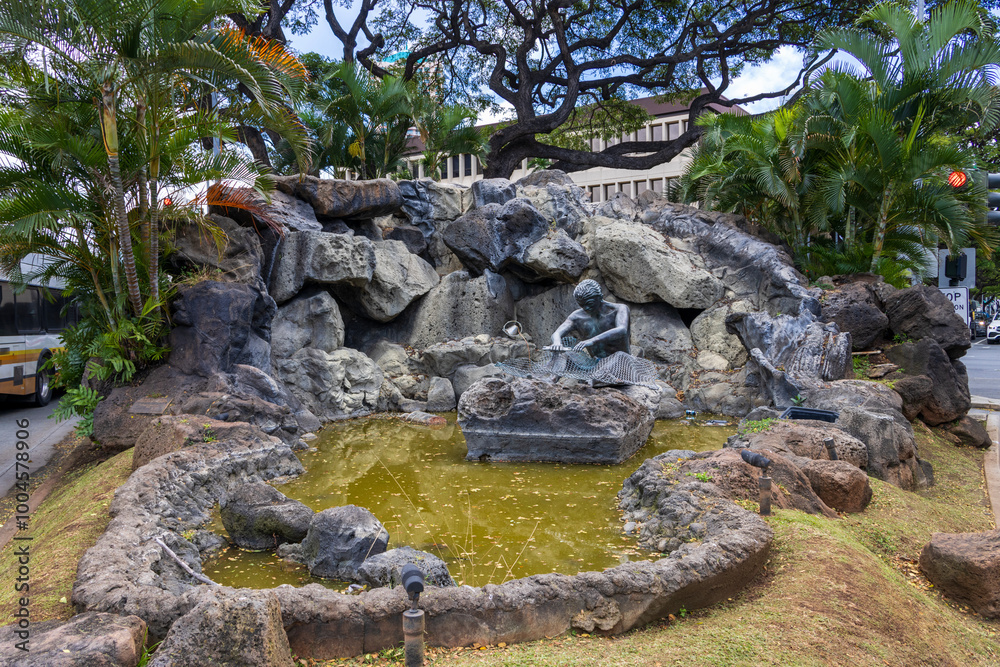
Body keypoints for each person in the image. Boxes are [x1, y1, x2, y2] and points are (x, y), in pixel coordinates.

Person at [548, 279, 630, 359]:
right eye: (581, 305)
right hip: (596, 363)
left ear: (600, 297)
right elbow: (557, 333)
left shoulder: (619, 309)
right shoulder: (577, 317)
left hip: (622, 361)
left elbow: (622, 330)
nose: (586, 308)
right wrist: (557, 342)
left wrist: (592, 340)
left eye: (589, 303)